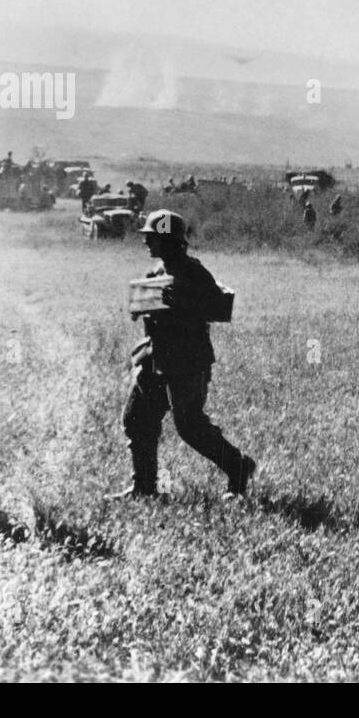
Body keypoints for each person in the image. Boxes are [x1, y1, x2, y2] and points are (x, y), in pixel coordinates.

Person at [112, 210, 254, 501]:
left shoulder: (194, 273)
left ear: (167, 239)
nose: (146, 242)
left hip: (187, 359)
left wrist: (180, 301)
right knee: (137, 419)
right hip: (155, 356)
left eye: (152, 237)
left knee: (189, 425)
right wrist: (141, 307)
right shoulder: (157, 272)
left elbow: (214, 306)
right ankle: (144, 487)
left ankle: (238, 466)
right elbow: (152, 304)